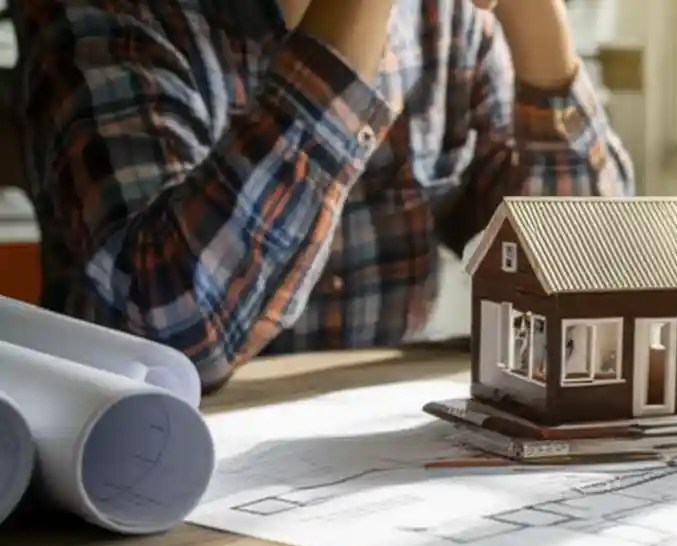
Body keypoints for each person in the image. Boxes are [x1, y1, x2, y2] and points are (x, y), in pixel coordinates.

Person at [18, 0, 633, 392]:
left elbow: (590, 291)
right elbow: (169, 337)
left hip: (369, 487)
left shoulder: (445, 21)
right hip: (140, 484)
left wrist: (538, 23)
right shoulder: (110, 14)